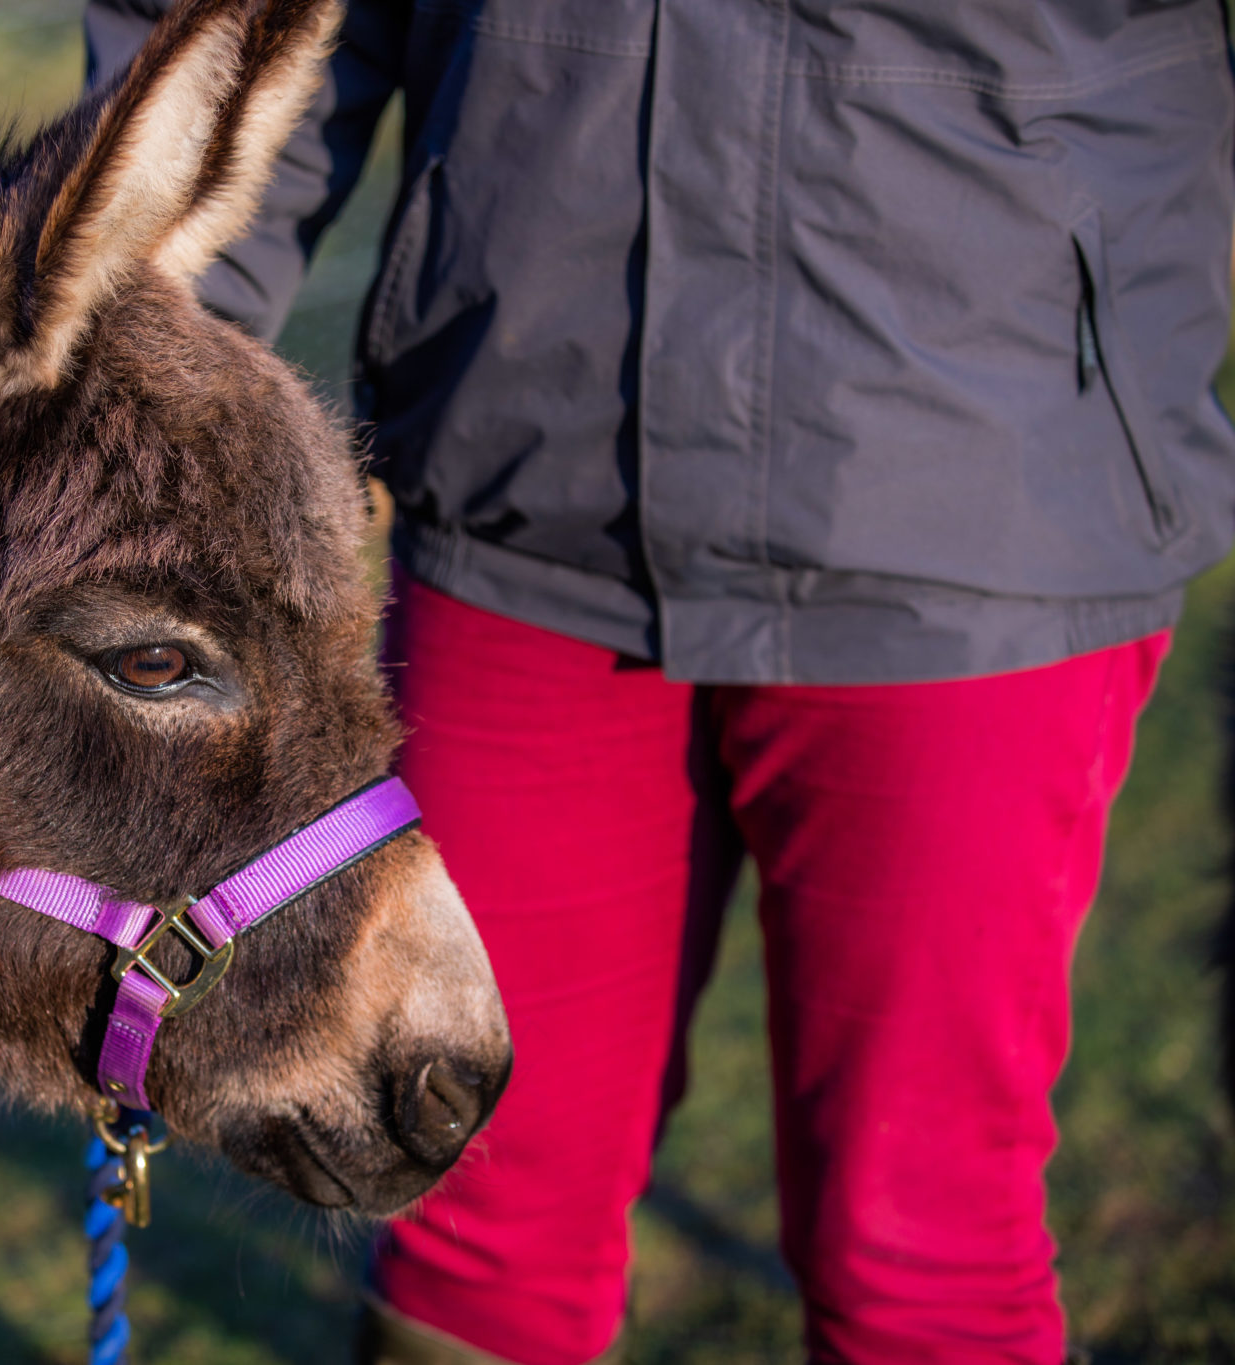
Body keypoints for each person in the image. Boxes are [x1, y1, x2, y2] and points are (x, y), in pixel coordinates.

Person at [86, 2, 1235, 1362]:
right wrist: (107, 378)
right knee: (468, 1195)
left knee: (921, 1239)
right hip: (526, 486)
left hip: (988, 498)